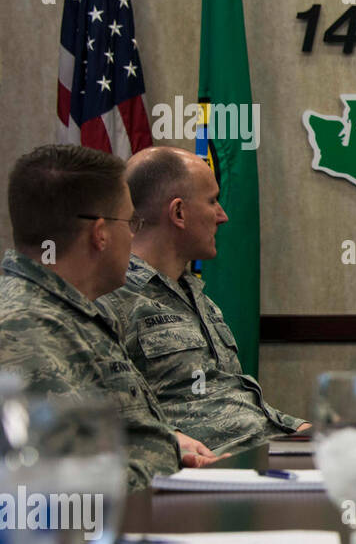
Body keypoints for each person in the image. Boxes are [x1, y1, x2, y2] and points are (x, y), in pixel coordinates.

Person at [0, 145, 222, 491]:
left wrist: (168, 442)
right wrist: (160, 459)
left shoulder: (71, 310)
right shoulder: (23, 327)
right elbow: (67, 487)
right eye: (130, 222)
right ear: (99, 234)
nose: (134, 237)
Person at [100, 146, 306, 451]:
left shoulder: (195, 295)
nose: (223, 216)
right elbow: (105, 419)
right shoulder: (113, 298)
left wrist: (300, 430)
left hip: (261, 450)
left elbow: (227, 392)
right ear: (179, 213)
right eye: (212, 201)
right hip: (206, 471)